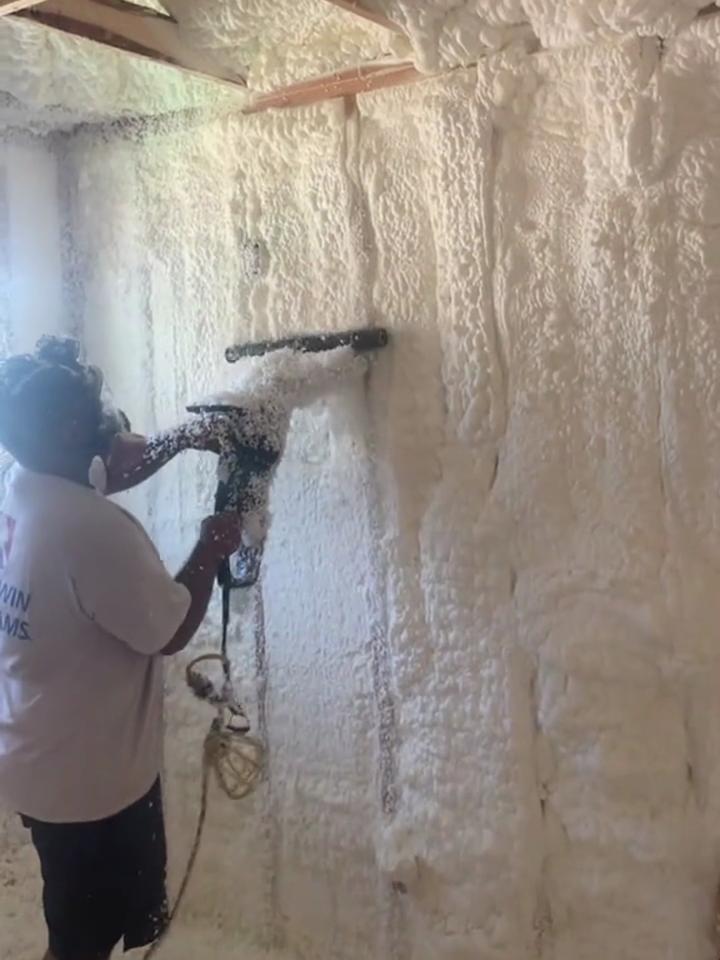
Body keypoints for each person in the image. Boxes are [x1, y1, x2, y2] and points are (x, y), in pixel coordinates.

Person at [0, 336, 242, 960]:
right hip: (92, 789)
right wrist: (213, 546)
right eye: (94, 411)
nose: (109, 421)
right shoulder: (90, 529)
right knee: (82, 945)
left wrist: (185, 439)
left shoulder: (25, 482)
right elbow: (170, 629)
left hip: (42, 758)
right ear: (66, 430)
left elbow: (115, 466)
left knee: (81, 928)